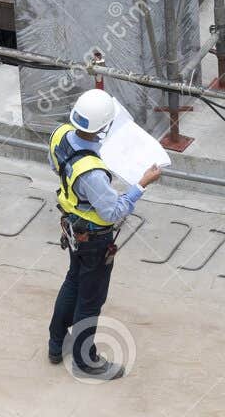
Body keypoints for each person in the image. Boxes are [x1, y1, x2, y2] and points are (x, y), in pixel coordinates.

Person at [47, 89, 161, 381]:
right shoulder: (92, 174)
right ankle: (85, 361)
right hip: (94, 239)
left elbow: (56, 165)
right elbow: (113, 212)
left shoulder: (59, 135)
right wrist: (141, 184)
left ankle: (56, 344)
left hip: (74, 226)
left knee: (73, 281)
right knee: (90, 300)